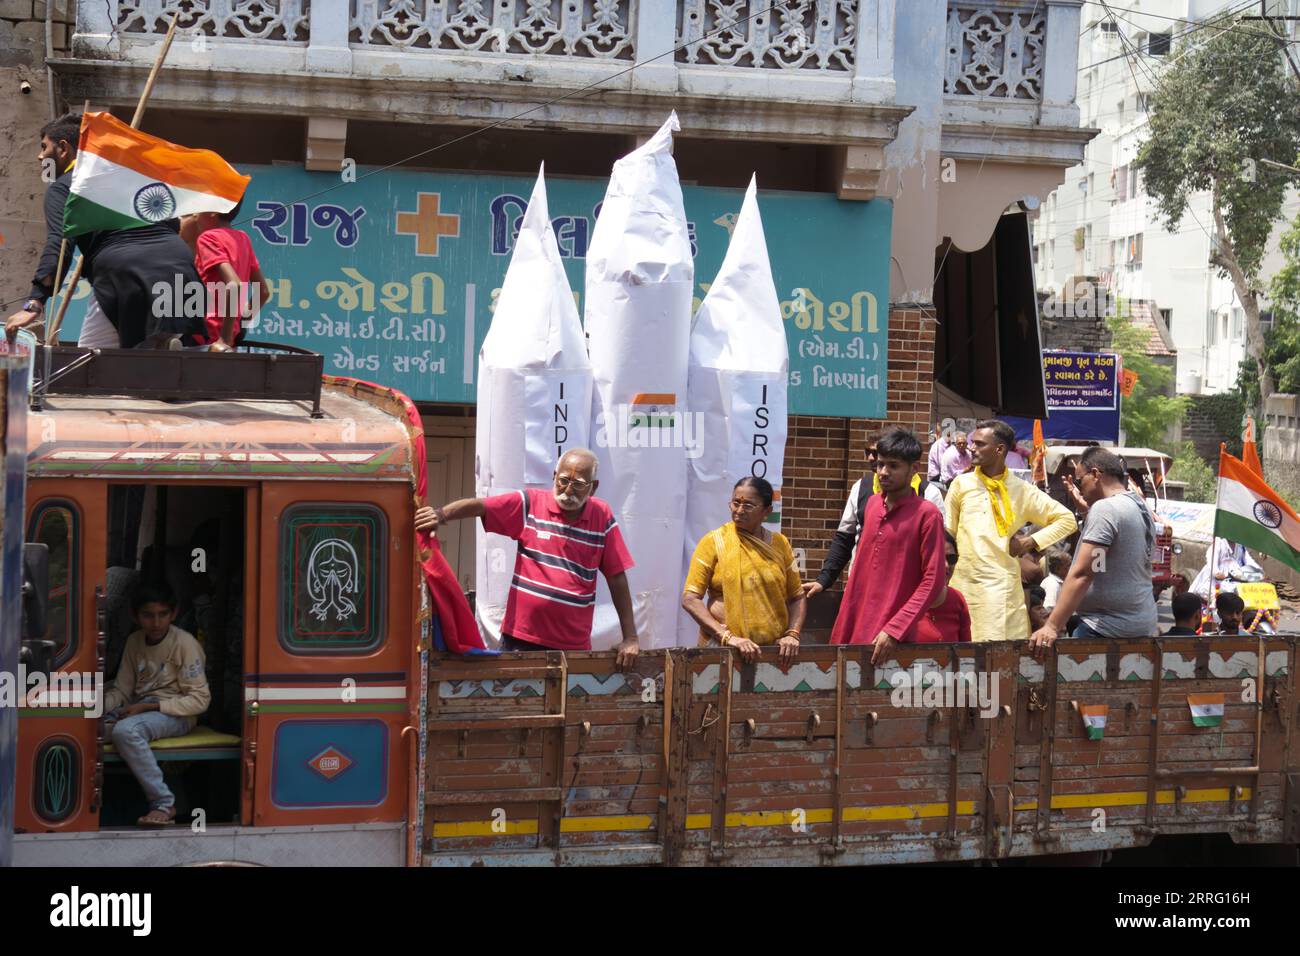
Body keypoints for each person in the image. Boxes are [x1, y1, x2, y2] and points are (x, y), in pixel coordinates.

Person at [414, 448, 640, 666]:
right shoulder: (531, 504)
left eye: (579, 485)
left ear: (593, 488)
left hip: (572, 647)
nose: (568, 490)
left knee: (564, 705)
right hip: (520, 641)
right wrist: (440, 515)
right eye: (563, 480)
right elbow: (481, 506)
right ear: (554, 477)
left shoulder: (602, 517)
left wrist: (630, 638)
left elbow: (616, 577)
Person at [947, 419, 1076, 642]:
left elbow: (1066, 519)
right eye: (972, 442)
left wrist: (1029, 542)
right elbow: (947, 532)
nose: (972, 447)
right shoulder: (962, 484)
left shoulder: (1021, 489)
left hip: (1001, 591)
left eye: (979, 444)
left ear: (999, 449)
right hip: (963, 583)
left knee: (997, 660)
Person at [824, 428, 946, 663]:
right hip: (854, 624)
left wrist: (895, 629)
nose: (883, 472)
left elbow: (933, 580)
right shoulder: (871, 504)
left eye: (893, 465)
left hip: (893, 637)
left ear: (914, 469)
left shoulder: (927, 514)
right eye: (880, 464)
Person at [1029, 447, 1159, 655]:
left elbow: (1084, 573)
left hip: (1105, 628)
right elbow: (1107, 558)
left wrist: (1052, 626)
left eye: (1080, 482)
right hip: (1140, 622)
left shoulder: (1106, 509)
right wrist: (1087, 511)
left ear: (1096, 475)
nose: (1079, 489)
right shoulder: (1138, 506)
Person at [103, 582, 211, 826]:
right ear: (135, 615)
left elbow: (199, 700)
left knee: (125, 732)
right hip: (139, 710)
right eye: (148, 615)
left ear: (173, 613)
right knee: (90, 729)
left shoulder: (184, 643)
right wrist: (95, 708)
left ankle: (164, 803)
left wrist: (147, 708)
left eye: (163, 615)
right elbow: (122, 690)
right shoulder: (134, 641)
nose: (156, 622)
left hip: (175, 713)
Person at [4, 113, 112, 347]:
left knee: (86, 372)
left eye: (44, 147)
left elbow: (60, 242)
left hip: (117, 283)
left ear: (63, 148)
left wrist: (35, 301)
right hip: (169, 281)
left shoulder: (63, 188)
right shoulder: (117, 181)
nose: (40, 156)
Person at [681, 477, 806, 664]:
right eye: (735, 503)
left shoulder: (780, 544)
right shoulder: (714, 541)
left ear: (767, 511)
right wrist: (728, 637)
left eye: (748, 505)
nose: (739, 511)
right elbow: (690, 599)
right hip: (723, 650)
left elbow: (797, 596)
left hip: (773, 653)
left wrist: (792, 634)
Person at [803, 435, 944, 598]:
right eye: (869, 453)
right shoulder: (863, 490)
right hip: (862, 591)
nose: (873, 459)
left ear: (912, 468)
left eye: (890, 463)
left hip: (905, 595)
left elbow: (936, 560)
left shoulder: (929, 498)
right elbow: (845, 538)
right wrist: (824, 579)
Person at [180, 202, 271, 351]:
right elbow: (263, 292)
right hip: (225, 335)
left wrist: (225, 338)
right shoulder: (243, 238)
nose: (195, 217)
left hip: (205, 335)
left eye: (197, 212)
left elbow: (234, 285)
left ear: (212, 213)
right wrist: (239, 323)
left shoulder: (207, 238)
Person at [914, 532, 972, 643]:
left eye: (951, 558)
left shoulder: (957, 599)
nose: (946, 565)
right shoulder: (902, 600)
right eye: (938, 558)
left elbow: (967, 654)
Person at [1041, 547, 1071, 612]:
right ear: (1057, 569)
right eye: (1068, 565)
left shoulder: (1060, 582)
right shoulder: (1053, 585)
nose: (1071, 568)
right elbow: (1049, 609)